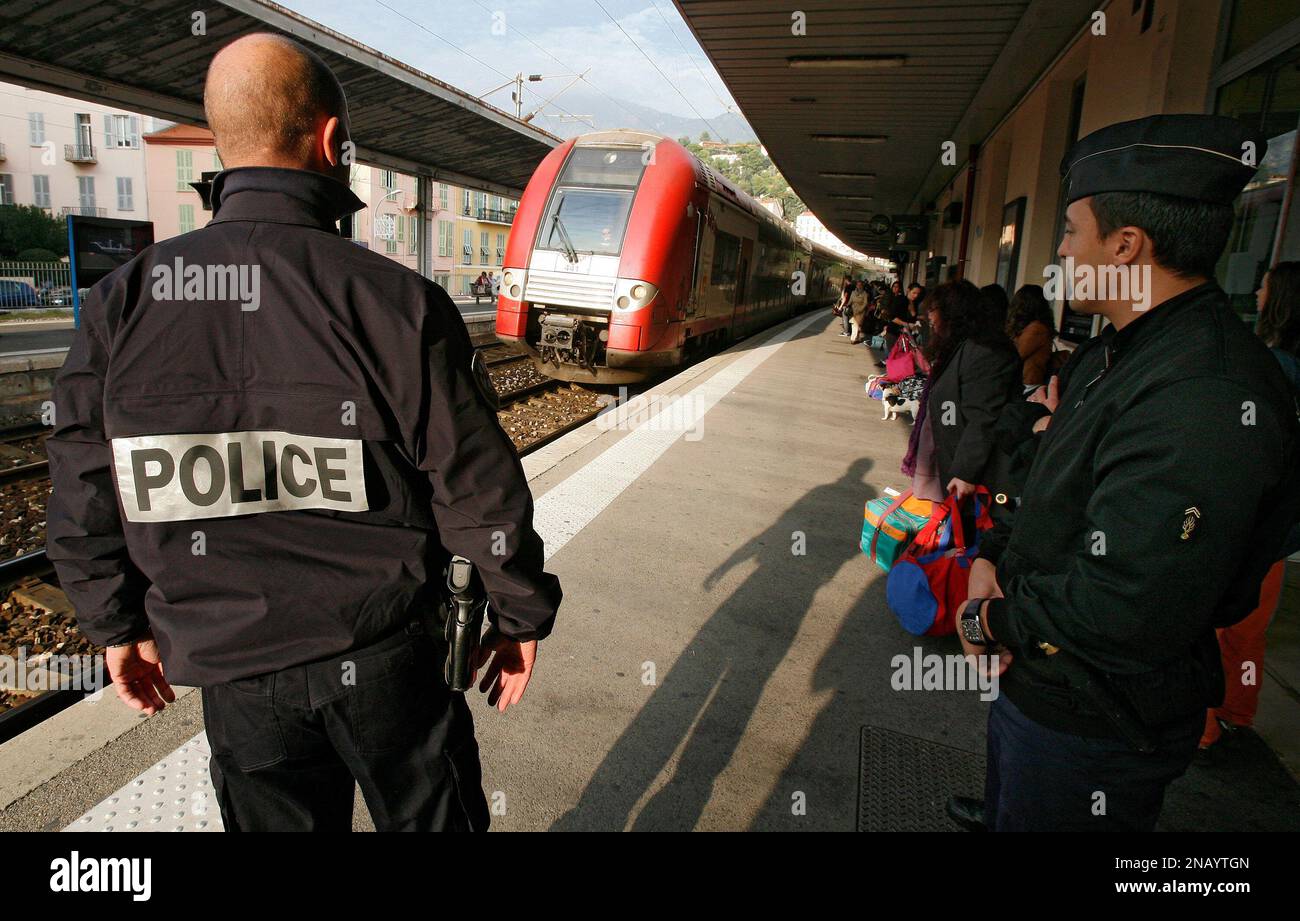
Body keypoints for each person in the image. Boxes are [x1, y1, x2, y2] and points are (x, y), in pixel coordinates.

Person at [44, 33, 562, 832]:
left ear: (221, 142)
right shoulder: (395, 301)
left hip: (236, 676)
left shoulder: (120, 304)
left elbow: (84, 485)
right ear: (330, 141)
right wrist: (518, 610)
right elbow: (475, 480)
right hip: (389, 658)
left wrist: (116, 623)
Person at [952, 114, 1300, 832]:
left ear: (1125, 244)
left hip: (1094, 722)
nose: (1062, 250)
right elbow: (1052, 477)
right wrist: (990, 556)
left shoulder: (1206, 391)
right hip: (1045, 690)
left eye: (1072, 231)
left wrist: (987, 616)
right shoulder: (1119, 353)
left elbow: (1126, 602)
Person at [1200, 261, 1300, 748]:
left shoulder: (1272, 366)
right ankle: (1239, 712)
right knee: (1249, 630)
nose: (1256, 292)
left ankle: (1200, 726)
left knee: (1212, 624)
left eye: (1263, 287)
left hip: (1248, 521)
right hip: (1283, 528)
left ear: (1278, 300)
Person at [901, 280, 1021, 503]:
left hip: (962, 475)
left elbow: (983, 418)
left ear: (952, 313)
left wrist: (965, 472)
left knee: (955, 532)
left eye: (933, 310)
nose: (929, 317)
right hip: (945, 461)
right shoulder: (961, 346)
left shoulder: (986, 353)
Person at [1005, 284, 1056, 390]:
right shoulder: (1032, 327)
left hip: (1028, 385)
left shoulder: (1036, 329)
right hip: (1023, 384)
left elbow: (1015, 355)